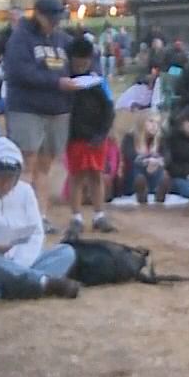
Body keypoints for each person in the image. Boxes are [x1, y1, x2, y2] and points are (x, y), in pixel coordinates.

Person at [0, 138, 80, 300]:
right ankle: (42, 283)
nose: (5, 184)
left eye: (10, 179)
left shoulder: (25, 191)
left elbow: (36, 234)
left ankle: (19, 286)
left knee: (66, 252)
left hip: (22, 259)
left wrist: (19, 265)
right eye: (0, 178)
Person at [2, 0, 78, 222]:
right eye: (51, 18)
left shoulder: (63, 40)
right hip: (27, 109)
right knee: (26, 163)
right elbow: (19, 72)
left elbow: (78, 63)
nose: (56, 22)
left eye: (58, 18)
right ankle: (18, 216)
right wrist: (56, 82)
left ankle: (40, 216)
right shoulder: (20, 39)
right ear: (39, 15)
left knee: (45, 166)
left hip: (57, 110)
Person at [62, 37, 115, 238]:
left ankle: (99, 215)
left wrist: (103, 133)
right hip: (75, 137)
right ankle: (76, 217)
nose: (82, 65)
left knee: (96, 175)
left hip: (96, 136)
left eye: (85, 61)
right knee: (76, 176)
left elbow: (109, 109)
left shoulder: (98, 82)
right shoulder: (67, 82)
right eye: (78, 61)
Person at [122, 111, 169, 204]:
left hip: (154, 171)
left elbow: (167, 156)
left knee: (159, 167)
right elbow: (129, 155)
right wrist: (147, 161)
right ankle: (141, 191)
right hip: (134, 176)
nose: (154, 125)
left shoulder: (161, 139)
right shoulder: (130, 137)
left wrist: (156, 161)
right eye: (151, 121)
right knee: (138, 170)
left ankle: (158, 193)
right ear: (142, 122)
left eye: (157, 123)